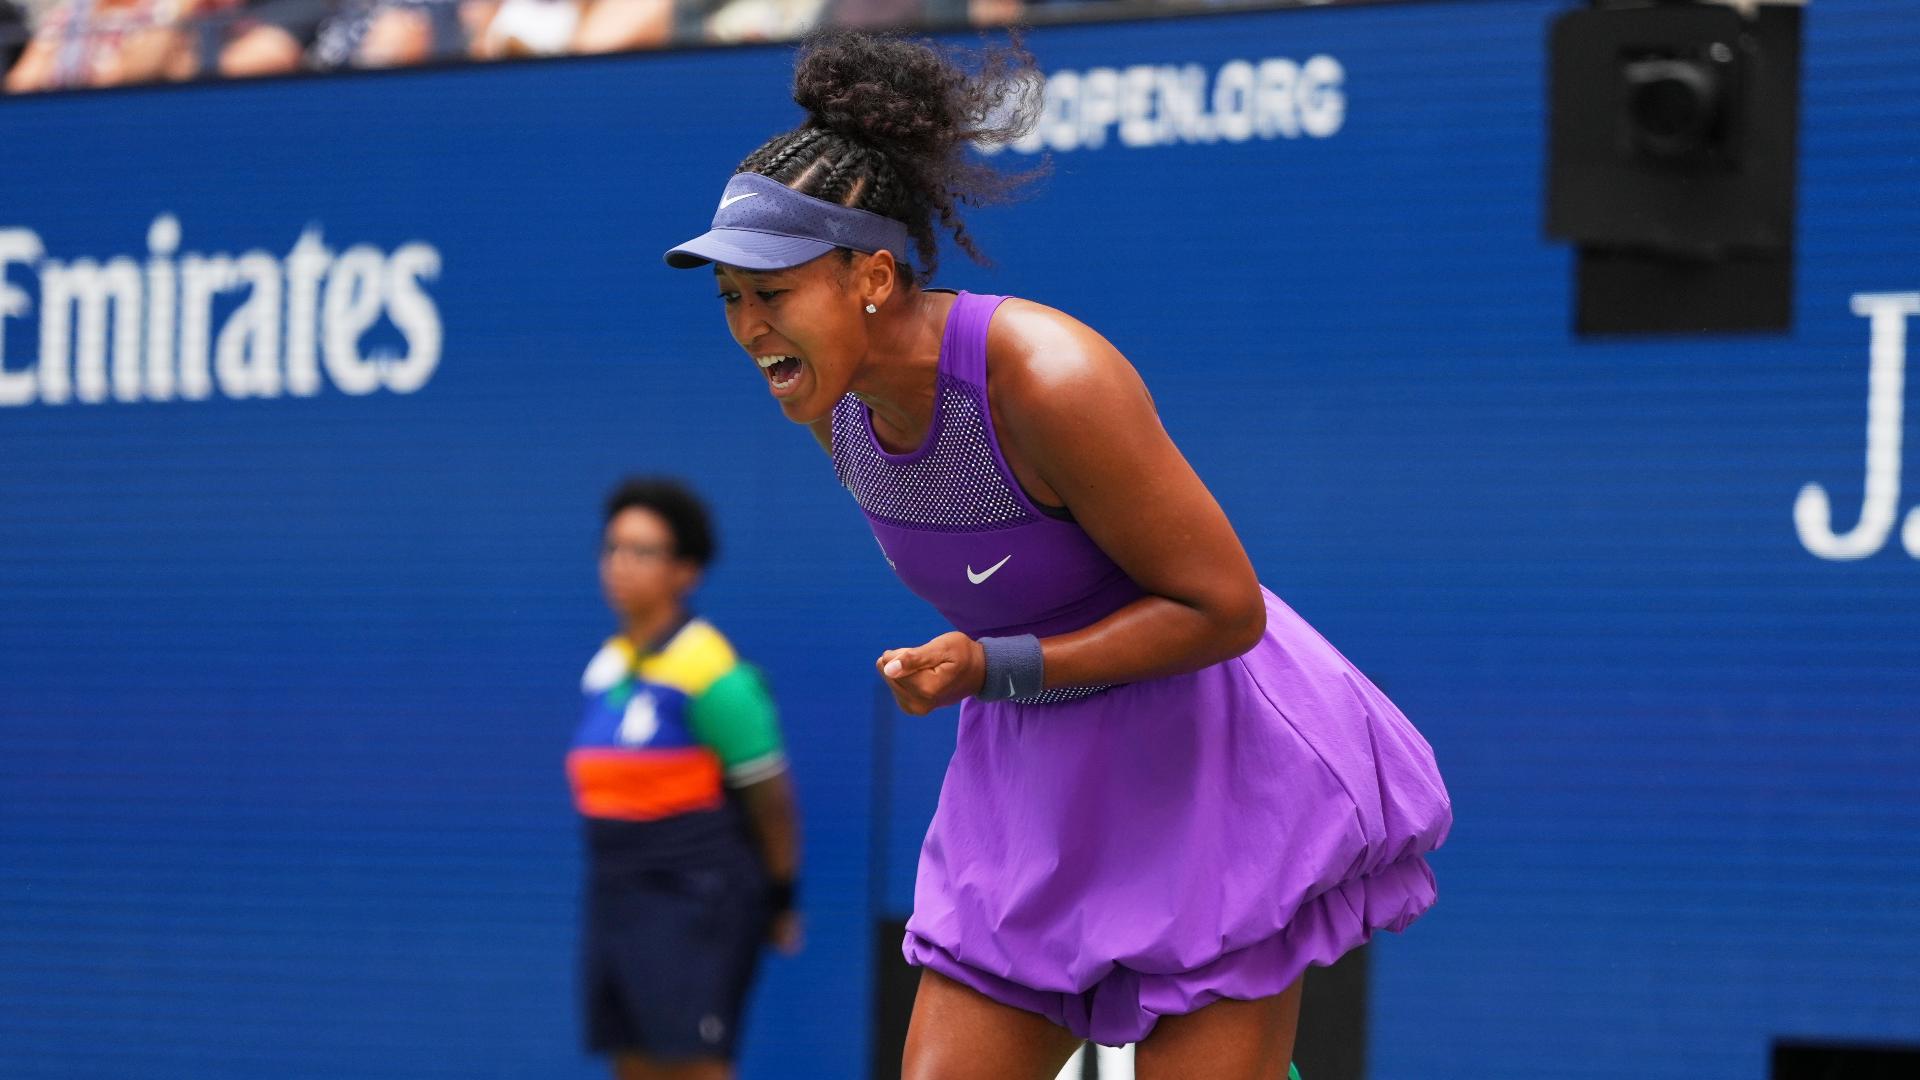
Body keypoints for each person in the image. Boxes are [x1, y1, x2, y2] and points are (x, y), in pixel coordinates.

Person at [661, 29, 1453, 1080]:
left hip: (1211, 769)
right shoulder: (830, 406)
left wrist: (995, 666)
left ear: (872, 276)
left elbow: (1224, 610)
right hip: (1033, 785)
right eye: (732, 300)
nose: (749, 325)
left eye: (773, 291)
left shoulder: (1046, 377)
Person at [570, 477, 802, 1080]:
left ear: (686, 571)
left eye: (643, 551)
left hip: (695, 902)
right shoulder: (607, 665)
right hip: (617, 896)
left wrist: (780, 897)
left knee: (695, 1068)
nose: (621, 565)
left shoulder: (714, 671)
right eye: (613, 548)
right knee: (633, 1065)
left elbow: (770, 799)